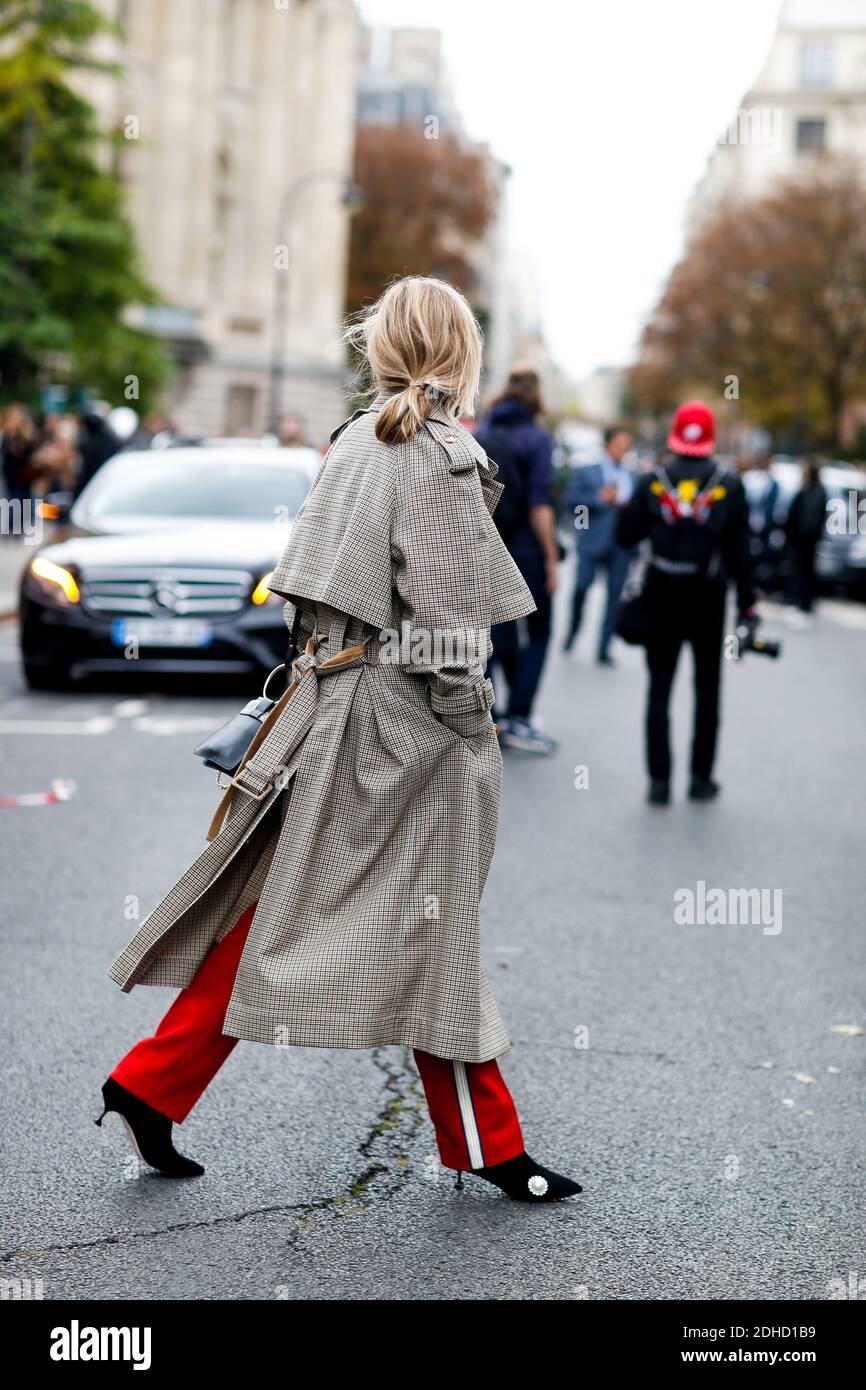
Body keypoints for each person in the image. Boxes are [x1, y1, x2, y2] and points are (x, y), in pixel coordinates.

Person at [98, 276, 583, 1205]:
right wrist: (470, 726)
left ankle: (152, 1084)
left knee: (286, 913)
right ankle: (492, 1146)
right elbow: (447, 633)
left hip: (328, 708)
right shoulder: (438, 456)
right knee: (434, 927)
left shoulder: (357, 440)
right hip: (400, 729)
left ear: (382, 347)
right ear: (460, 353)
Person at [616, 400, 756, 806]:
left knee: (659, 688)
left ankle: (659, 783)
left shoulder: (652, 480)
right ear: (711, 438)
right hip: (708, 600)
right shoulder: (729, 484)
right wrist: (748, 604)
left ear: (674, 434)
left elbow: (625, 537)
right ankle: (700, 779)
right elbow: (740, 553)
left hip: (660, 593)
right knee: (707, 689)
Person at [474, 368, 560, 754]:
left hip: (489, 547)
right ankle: (520, 714)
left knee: (494, 633)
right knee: (539, 631)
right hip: (526, 550)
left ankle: (491, 715)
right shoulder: (538, 439)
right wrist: (552, 558)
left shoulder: (482, 435)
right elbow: (540, 505)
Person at [563, 425, 635, 663]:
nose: (623, 450)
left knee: (614, 596)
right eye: (619, 444)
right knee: (582, 587)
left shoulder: (632, 475)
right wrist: (598, 500)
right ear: (608, 444)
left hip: (621, 545)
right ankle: (573, 630)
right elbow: (572, 503)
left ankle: (604, 647)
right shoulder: (587, 471)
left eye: (627, 446)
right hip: (591, 540)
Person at [786, 459, 827, 620]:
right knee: (801, 571)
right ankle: (800, 601)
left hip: (806, 540)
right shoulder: (810, 489)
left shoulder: (815, 491)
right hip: (803, 539)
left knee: (805, 572)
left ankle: (804, 603)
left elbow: (810, 518)